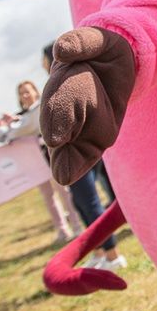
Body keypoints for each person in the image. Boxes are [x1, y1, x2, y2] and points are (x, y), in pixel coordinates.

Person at [35, 52, 126, 272]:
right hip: (77, 153)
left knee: (89, 202)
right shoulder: (64, 80)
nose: (42, 63)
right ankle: (98, 252)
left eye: (44, 59)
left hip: (78, 152)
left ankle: (113, 256)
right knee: (80, 202)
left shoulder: (67, 82)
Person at [0, 81, 81, 245]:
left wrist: (12, 125)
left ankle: (77, 226)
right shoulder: (21, 116)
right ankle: (62, 230)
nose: (25, 95)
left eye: (27, 91)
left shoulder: (41, 108)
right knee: (49, 197)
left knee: (64, 192)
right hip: (33, 161)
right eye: (22, 93)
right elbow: (4, 136)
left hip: (50, 155)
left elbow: (22, 129)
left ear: (35, 92)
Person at [43, 43, 114, 205]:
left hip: (79, 147)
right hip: (96, 139)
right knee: (104, 185)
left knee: (87, 199)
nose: (42, 64)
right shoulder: (81, 74)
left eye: (43, 59)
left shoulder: (61, 83)